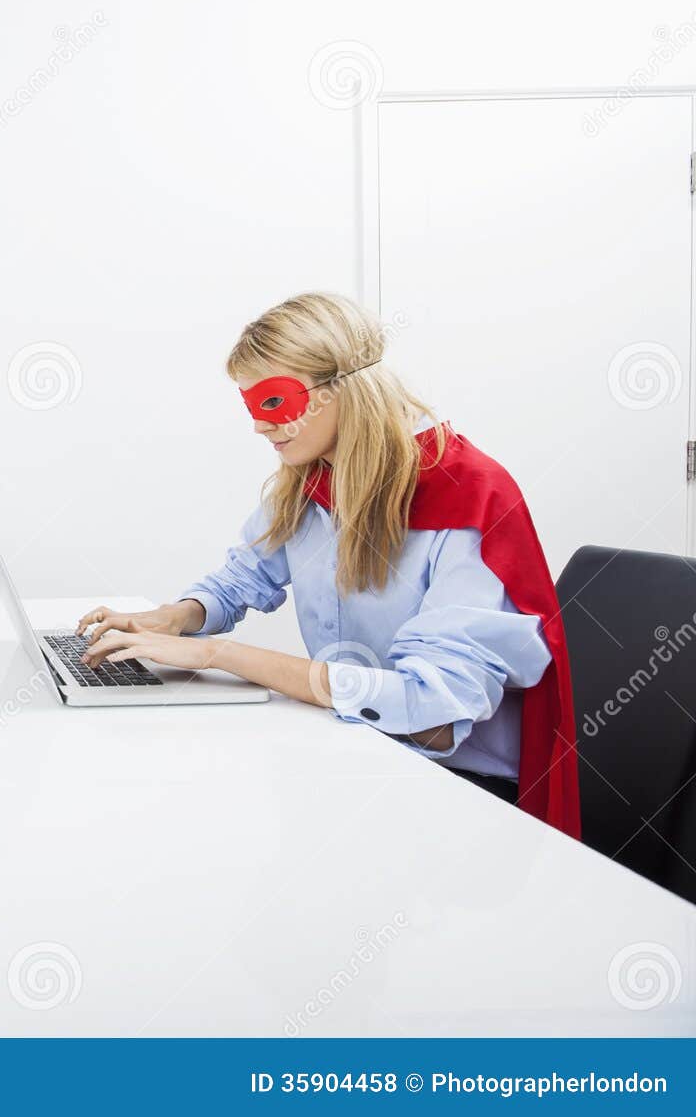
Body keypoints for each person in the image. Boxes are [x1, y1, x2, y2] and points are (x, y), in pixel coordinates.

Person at [77, 293, 580, 836]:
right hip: (363, 751)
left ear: (345, 389)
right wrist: (175, 617)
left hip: (461, 792)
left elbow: (432, 714)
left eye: (274, 403)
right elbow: (243, 577)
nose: (260, 427)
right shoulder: (311, 480)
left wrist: (218, 653)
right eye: (250, 407)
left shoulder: (470, 499)